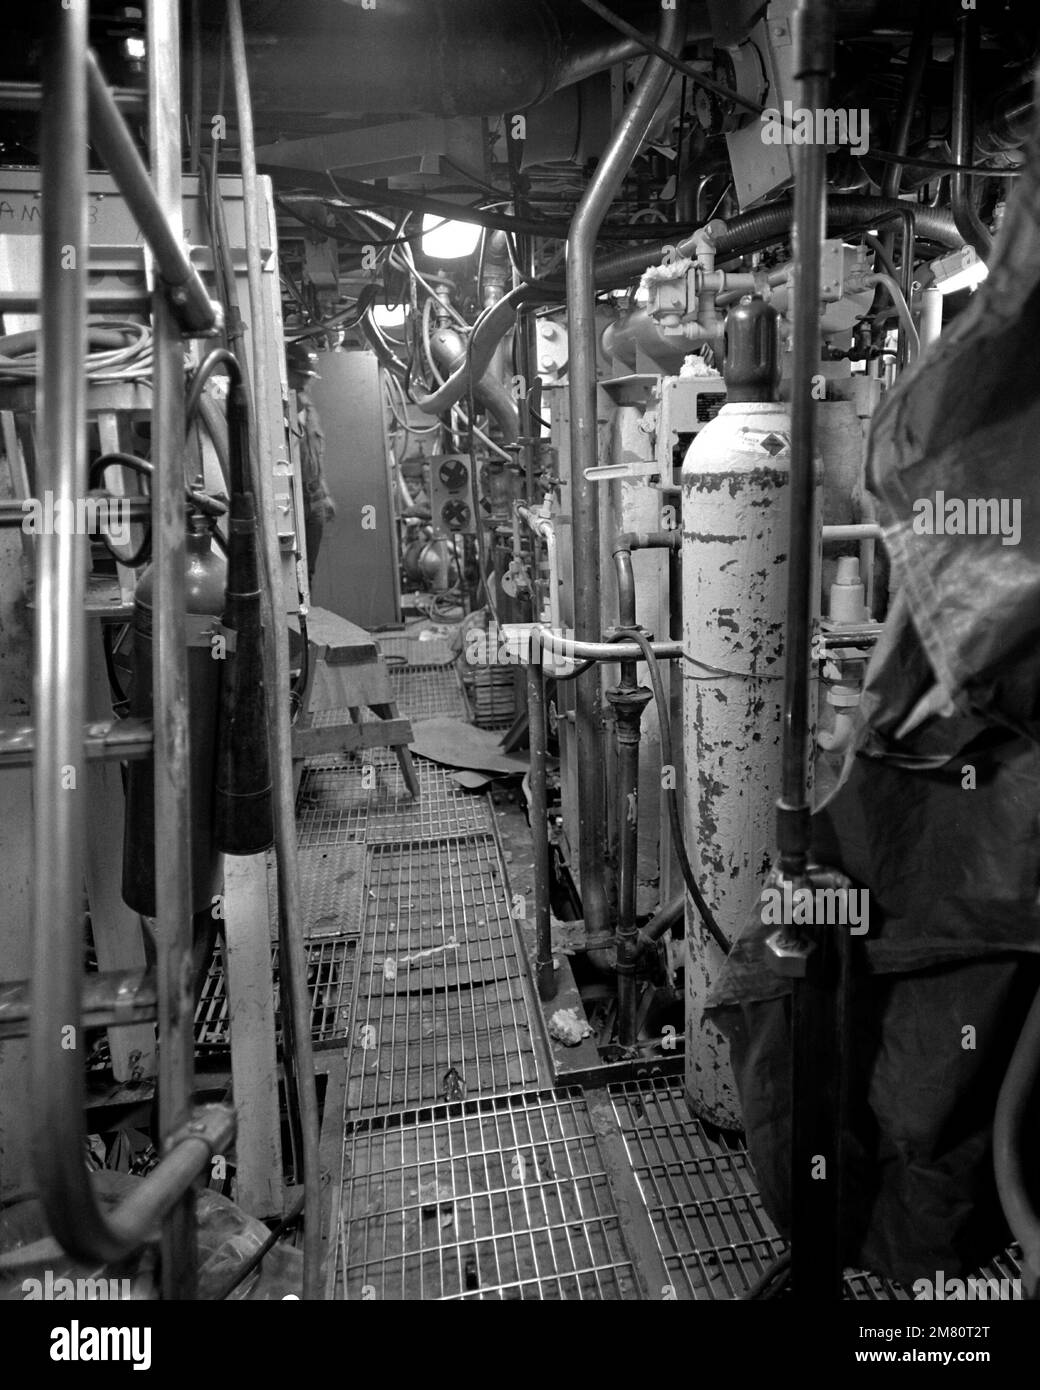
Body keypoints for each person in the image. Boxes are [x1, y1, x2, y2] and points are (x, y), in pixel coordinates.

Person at [287, 341, 336, 584]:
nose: (305, 382)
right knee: (291, 568)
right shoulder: (276, 409)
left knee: (308, 571)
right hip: (290, 500)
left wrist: (324, 493)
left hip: (313, 499)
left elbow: (315, 454)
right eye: (300, 375)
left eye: (308, 377)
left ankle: (307, 619)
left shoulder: (309, 408)